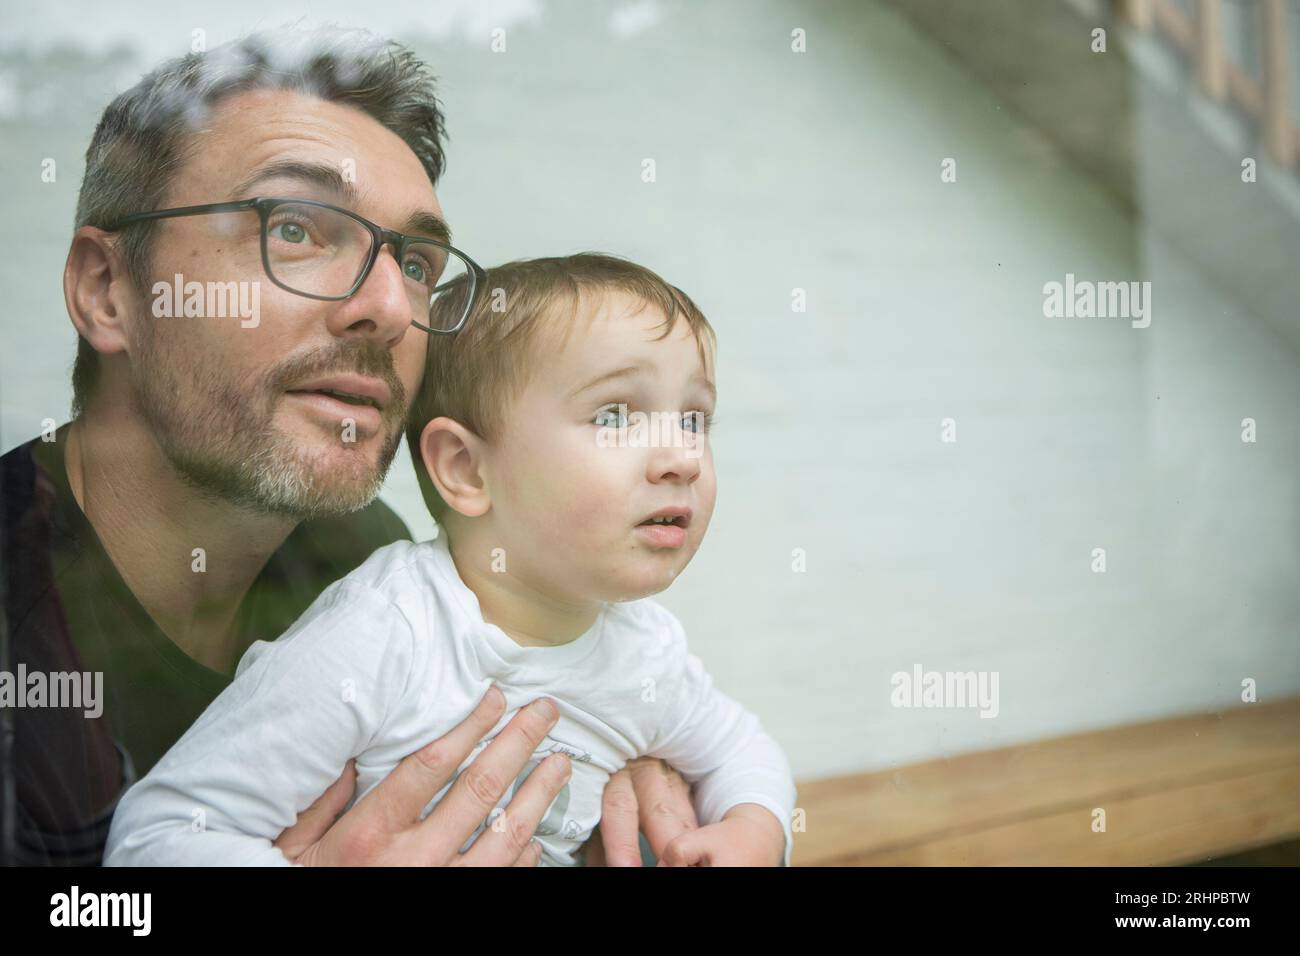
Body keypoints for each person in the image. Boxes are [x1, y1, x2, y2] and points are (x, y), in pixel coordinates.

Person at [0, 27, 699, 867]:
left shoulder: (363, 557)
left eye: (413, 260)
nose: (392, 309)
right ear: (108, 290)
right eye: (294, 227)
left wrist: (620, 760)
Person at [104, 254, 795, 867]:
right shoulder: (379, 638)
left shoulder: (646, 651)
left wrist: (752, 831)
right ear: (465, 469)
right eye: (614, 415)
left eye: (694, 419)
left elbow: (741, 750)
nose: (682, 457)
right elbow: (159, 836)